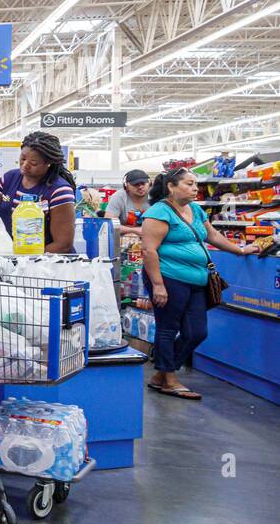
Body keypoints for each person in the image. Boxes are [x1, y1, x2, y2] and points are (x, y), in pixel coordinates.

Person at [141, 168, 258, 400]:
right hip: (169, 278)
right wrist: (158, 285)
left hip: (197, 279)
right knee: (168, 327)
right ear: (171, 187)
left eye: (195, 184)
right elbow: (148, 250)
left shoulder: (195, 209)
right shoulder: (159, 212)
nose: (195, 188)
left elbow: (212, 236)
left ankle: (161, 375)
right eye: (188, 183)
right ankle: (170, 379)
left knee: (197, 331)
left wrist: (240, 250)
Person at [0, 131, 77, 253]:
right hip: (11, 261)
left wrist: (26, 258)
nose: (25, 165)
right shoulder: (8, 179)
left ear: (48, 163)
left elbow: (63, 244)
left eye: (33, 163)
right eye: (23, 158)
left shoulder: (59, 191)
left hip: (46, 264)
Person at [106, 169, 152, 237]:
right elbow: (108, 224)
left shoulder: (155, 195)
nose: (140, 187)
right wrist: (135, 230)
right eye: (136, 184)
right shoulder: (119, 197)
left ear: (149, 183)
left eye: (143, 183)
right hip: (124, 239)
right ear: (126, 186)